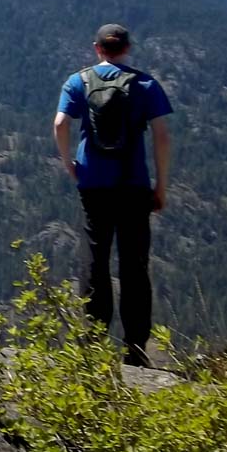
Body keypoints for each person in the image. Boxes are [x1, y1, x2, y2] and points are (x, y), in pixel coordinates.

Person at [54, 23, 173, 367]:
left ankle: (92, 345)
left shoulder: (78, 81)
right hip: (134, 184)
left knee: (95, 261)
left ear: (97, 48)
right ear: (127, 47)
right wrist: (160, 185)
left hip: (94, 184)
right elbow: (162, 136)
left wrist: (69, 164)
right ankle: (135, 349)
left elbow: (61, 124)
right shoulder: (145, 84)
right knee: (134, 264)